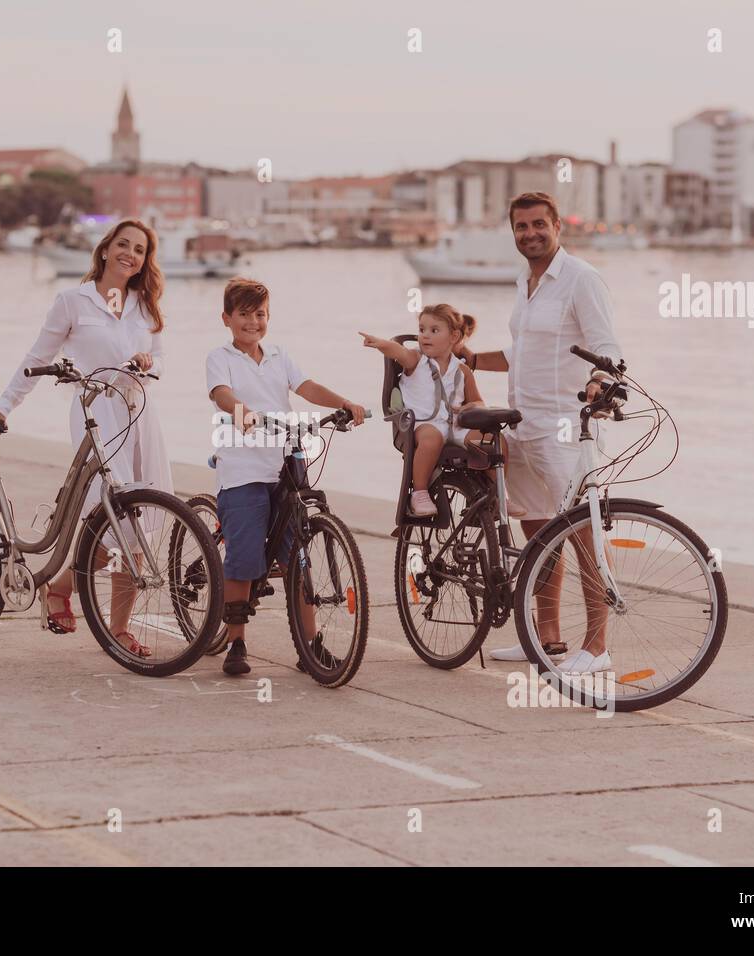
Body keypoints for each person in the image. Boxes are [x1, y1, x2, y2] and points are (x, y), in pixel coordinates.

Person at [0, 218, 173, 658]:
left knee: (139, 526)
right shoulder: (72, 301)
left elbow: (159, 363)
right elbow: (36, 358)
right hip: (96, 412)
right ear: (104, 250)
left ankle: (100, 617)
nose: (131, 255)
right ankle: (66, 592)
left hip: (140, 414)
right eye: (124, 244)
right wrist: (2, 408)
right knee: (115, 522)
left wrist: (145, 361)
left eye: (140, 250)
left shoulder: (146, 305)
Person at [453, 192, 623, 676]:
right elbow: (520, 352)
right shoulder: (524, 281)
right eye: (521, 227)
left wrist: (598, 383)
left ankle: (596, 647)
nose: (530, 234)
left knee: (581, 533)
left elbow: (606, 348)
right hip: (521, 422)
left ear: (557, 227)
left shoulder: (582, 280)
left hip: (565, 426)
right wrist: (471, 358)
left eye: (538, 225)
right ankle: (545, 639)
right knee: (538, 533)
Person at [206, 277, 366, 676]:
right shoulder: (220, 357)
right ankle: (236, 641)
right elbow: (221, 393)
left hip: (284, 462)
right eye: (244, 314)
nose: (253, 322)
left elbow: (306, 387)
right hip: (243, 467)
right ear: (227, 318)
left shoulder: (279, 354)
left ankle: (309, 645)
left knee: (299, 557)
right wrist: (241, 410)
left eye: (260, 314)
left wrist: (343, 402)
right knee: (242, 559)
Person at [359, 304, 505, 516]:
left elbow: (478, 401)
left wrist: (468, 407)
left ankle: (499, 494)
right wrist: (381, 344)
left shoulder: (462, 370)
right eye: (421, 330)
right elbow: (398, 351)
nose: (425, 336)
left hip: (454, 425)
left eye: (434, 331)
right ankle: (419, 493)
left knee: (494, 439)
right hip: (421, 424)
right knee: (432, 439)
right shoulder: (416, 360)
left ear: (454, 336)